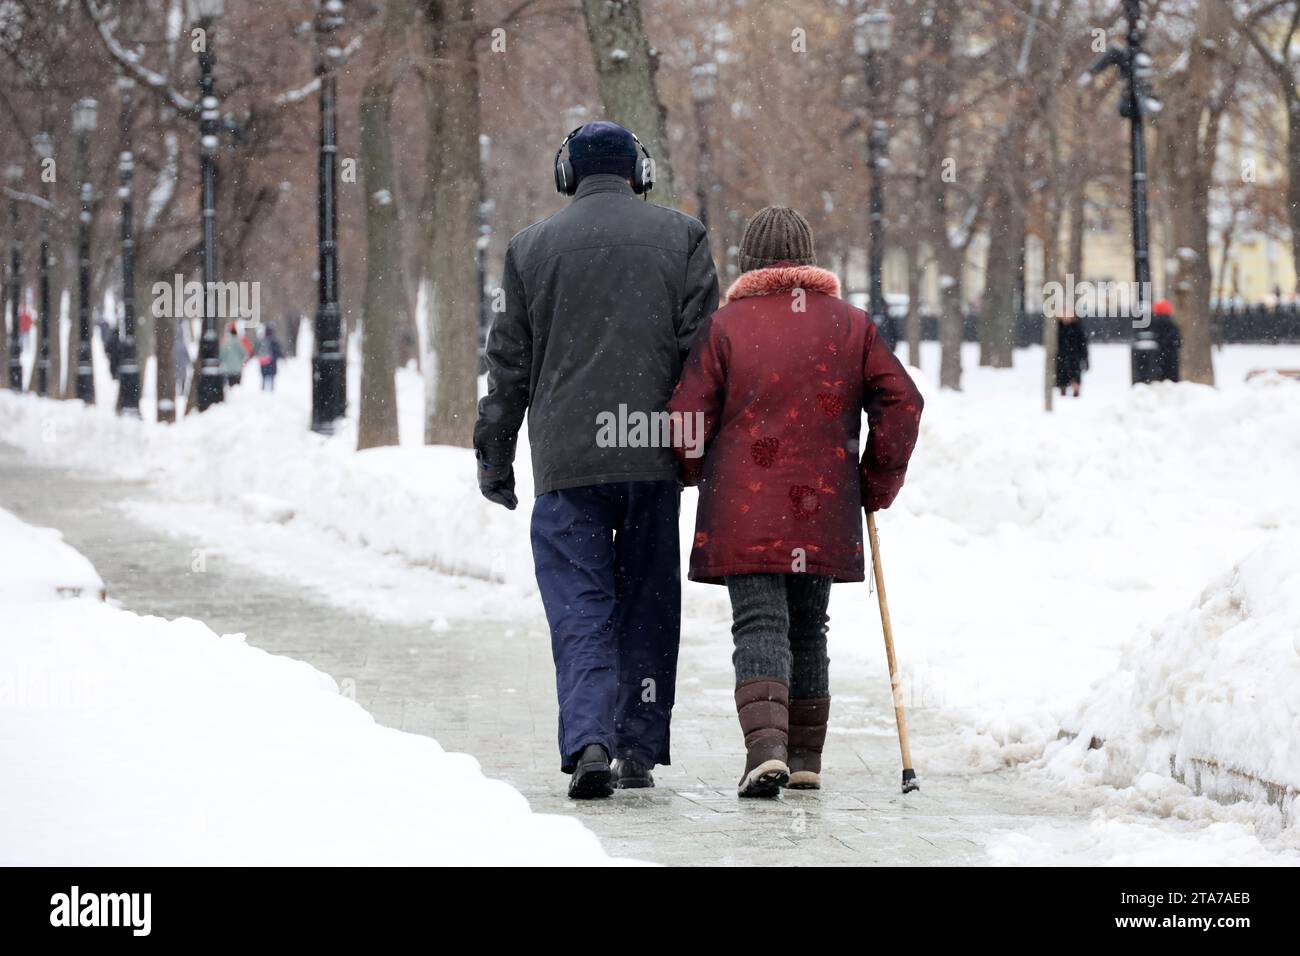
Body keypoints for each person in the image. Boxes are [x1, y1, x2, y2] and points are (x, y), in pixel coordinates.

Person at [473, 120, 719, 799]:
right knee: (647, 600)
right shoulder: (683, 237)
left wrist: (495, 456)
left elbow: (508, 367)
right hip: (649, 454)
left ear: (567, 175)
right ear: (638, 172)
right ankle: (638, 744)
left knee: (580, 607)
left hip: (567, 461)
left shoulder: (529, 249)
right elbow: (703, 356)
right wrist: (695, 445)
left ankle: (589, 740)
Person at [668, 206, 923, 797]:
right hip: (824, 506)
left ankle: (766, 752)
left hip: (744, 510)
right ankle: (805, 759)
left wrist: (697, 470)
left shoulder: (725, 327)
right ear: (808, 261)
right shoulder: (852, 326)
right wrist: (875, 478)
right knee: (810, 628)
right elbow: (902, 403)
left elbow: (685, 417)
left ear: (748, 263)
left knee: (759, 623)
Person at [1055, 308, 1088, 397]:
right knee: (1062, 376)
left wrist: (1084, 357)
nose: (1066, 317)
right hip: (1061, 356)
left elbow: (1083, 344)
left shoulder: (1077, 327)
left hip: (1074, 356)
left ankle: (1076, 392)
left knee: (1075, 375)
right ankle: (1063, 391)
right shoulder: (1057, 327)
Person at [1151, 298, 1182, 382]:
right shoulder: (1172, 325)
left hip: (1155, 362)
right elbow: (1178, 342)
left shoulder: (1151, 325)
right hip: (1171, 362)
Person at [255, 323, 284, 391]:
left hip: (263, 361)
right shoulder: (274, 340)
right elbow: (278, 351)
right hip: (272, 361)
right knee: (272, 375)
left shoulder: (262, 340)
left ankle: (263, 387)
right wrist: (281, 356)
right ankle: (272, 388)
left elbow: (256, 349)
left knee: (264, 375)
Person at [220, 323, 246, 387]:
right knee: (237, 388)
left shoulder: (226, 342)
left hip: (229, 370)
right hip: (238, 369)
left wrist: (224, 362)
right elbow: (244, 354)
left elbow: (222, 356)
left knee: (231, 387)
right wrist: (241, 362)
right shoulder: (239, 341)